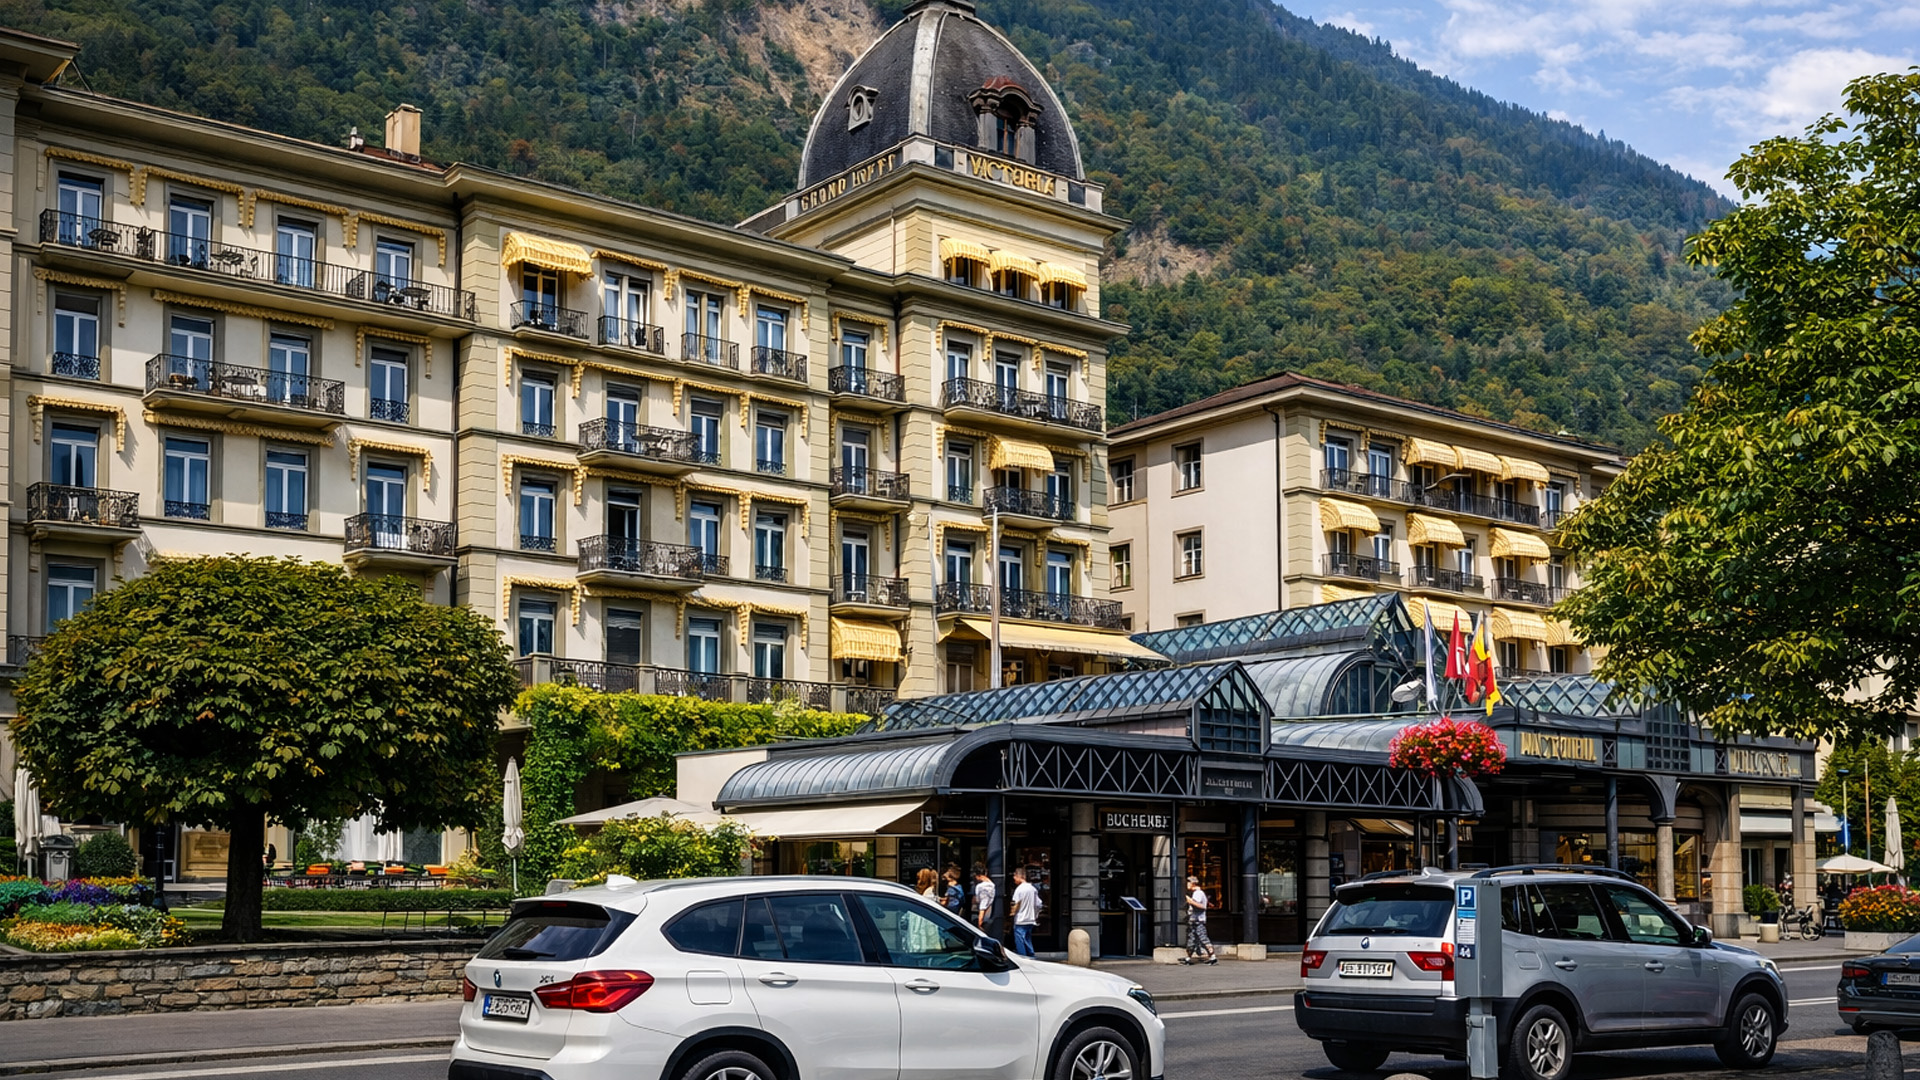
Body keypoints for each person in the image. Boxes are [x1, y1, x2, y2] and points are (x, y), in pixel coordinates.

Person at [1182, 874, 1218, 965]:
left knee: (1202, 938)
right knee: (1192, 939)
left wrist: (1190, 901)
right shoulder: (1199, 893)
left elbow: (1201, 907)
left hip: (1198, 921)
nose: (1187, 885)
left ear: (1192, 883)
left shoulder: (1198, 893)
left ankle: (1213, 956)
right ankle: (1188, 958)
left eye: (1188, 882)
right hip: (1195, 920)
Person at [1010, 867, 1041, 957]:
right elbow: (1039, 904)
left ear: (1019, 876)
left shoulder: (1019, 890)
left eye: (1015, 876)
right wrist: (1035, 914)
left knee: (1020, 942)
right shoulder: (1033, 889)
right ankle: (1032, 957)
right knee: (1027, 940)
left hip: (1020, 919)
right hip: (1030, 919)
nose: (1014, 878)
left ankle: (1023, 959)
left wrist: (1011, 916)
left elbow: (1014, 905)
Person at [972, 864, 998, 937]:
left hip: (981, 915)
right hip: (989, 912)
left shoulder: (981, 887)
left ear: (978, 875)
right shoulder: (992, 885)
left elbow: (982, 905)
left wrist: (979, 922)